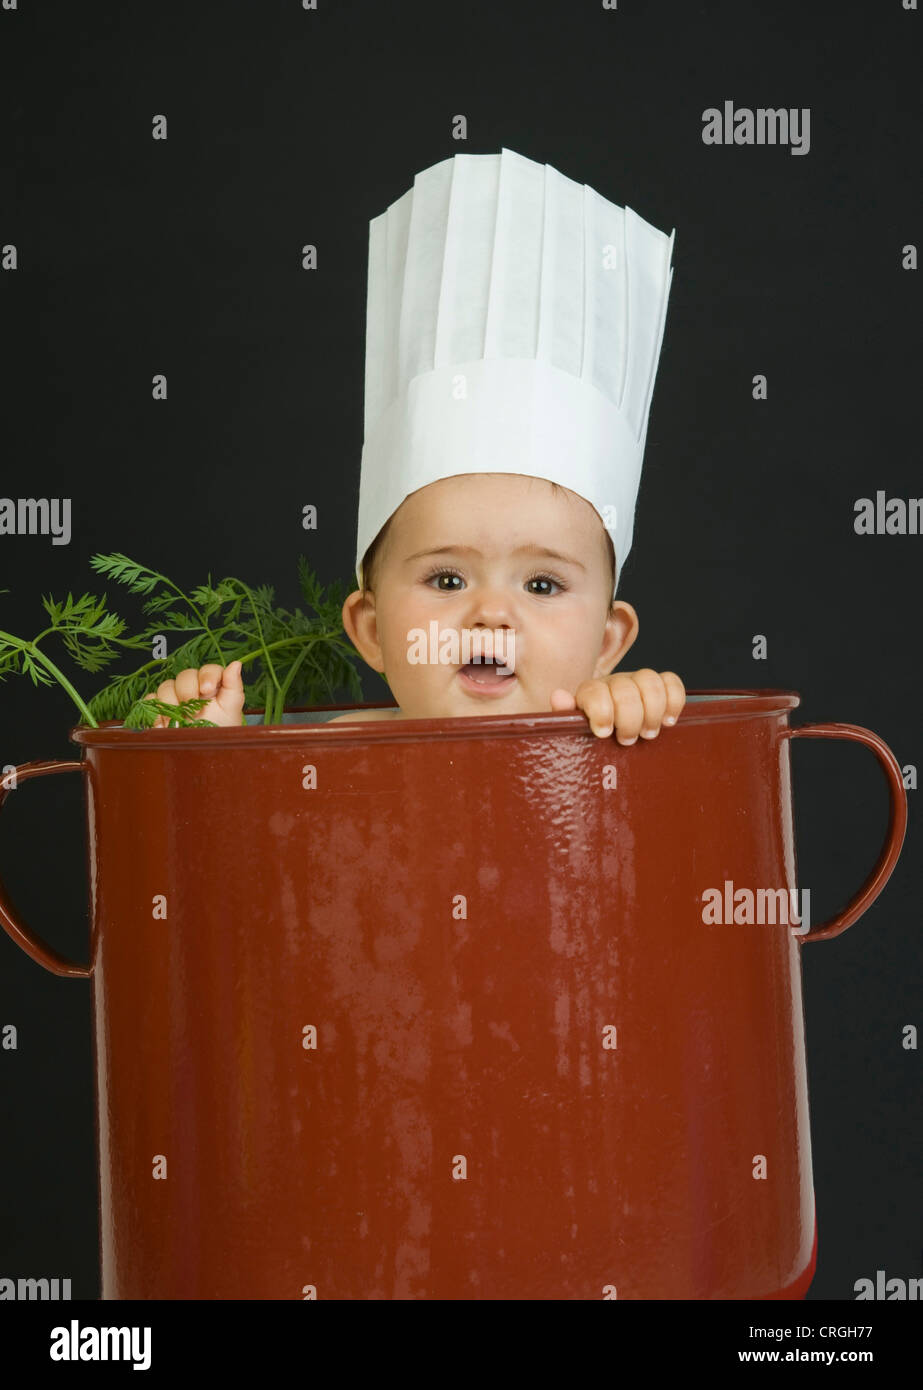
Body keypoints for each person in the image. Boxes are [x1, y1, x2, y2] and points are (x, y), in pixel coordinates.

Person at [143, 149, 685, 742]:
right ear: (371, 630)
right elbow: (251, 829)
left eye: (542, 585)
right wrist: (210, 754)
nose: (492, 615)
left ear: (607, 642)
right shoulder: (331, 753)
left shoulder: (607, 732)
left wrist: (640, 712)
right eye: (447, 580)